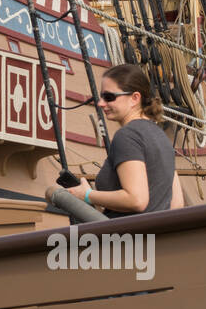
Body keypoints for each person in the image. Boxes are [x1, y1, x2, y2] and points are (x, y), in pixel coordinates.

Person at [46, 64, 183, 219]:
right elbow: (176, 203)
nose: (101, 103)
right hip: (155, 238)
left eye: (109, 97)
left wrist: (87, 195)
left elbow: (137, 200)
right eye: (101, 97)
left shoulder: (128, 136)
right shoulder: (162, 137)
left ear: (134, 98)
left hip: (125, 239)